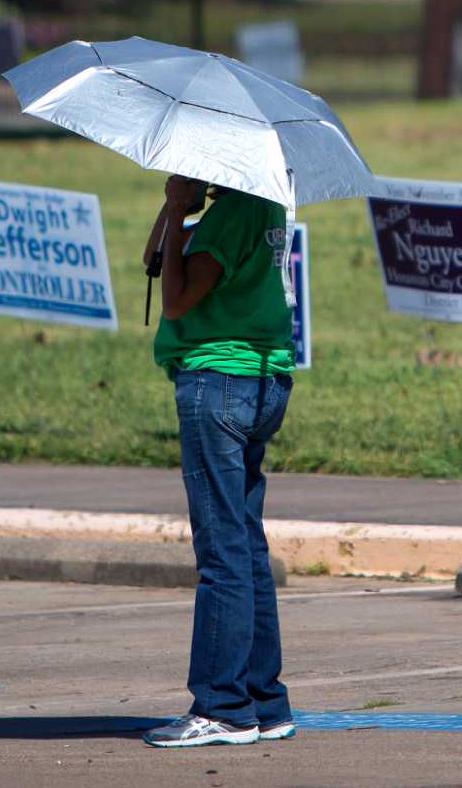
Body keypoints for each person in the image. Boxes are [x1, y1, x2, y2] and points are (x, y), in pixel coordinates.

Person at [142, 174, 298, 750]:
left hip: (218, 382)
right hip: (261, 380)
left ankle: (223, 706)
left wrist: (184, 208)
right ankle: (264, 700)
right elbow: (156, 260)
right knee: (247, 544)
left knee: (222, 549)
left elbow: (178, 297)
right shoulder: (262, 207)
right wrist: (173, 207)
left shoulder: (230, 216)